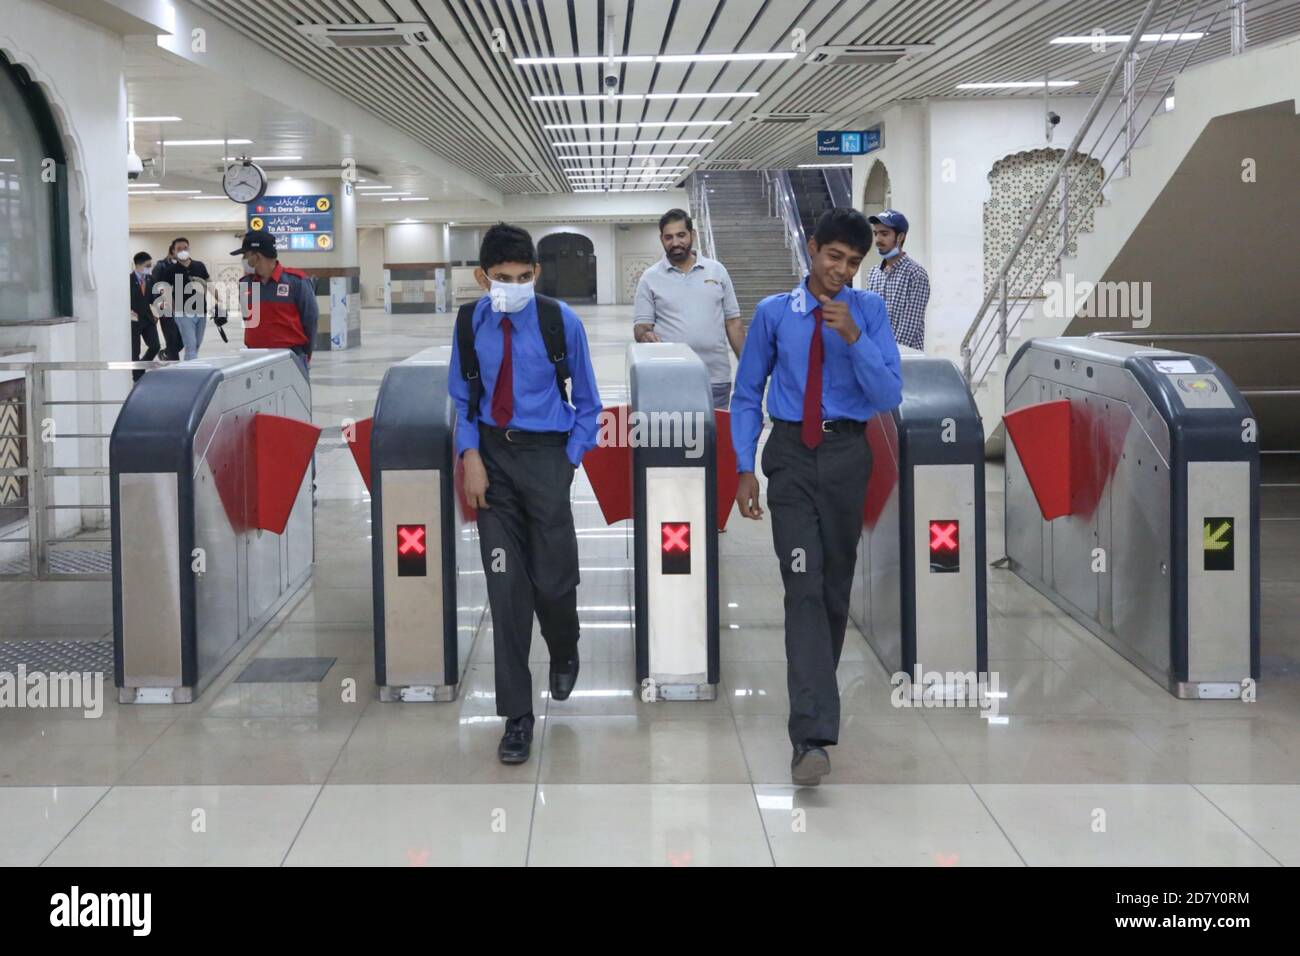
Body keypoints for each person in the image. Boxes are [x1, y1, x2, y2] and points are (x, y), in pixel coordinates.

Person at [731, 207, 902, 787]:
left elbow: (887, 393)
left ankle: (814, 701)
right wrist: (743, 467)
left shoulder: (870, 312)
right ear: (812, 249)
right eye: (834, 258)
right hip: (791, 459)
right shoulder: (775, 313)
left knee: (832, 592)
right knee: (802, 586)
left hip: (849, 457)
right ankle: (811, 737)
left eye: (853, 263)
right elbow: (748, 389)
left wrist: (854, 338)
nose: (841, 272)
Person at [449, 223, 602, 765]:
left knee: (554, 582)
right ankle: (516, 716)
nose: (511, 286)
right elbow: (464, 399)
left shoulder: (561, 323)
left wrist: (567, 461)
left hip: (547, 458)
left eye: (522, 277)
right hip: (492, 461)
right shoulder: (470, 323)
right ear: (481, 277)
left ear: (535, 275)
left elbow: (589, 403)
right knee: (506, 591)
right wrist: (471, 456)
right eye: (500, 278)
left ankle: (565, 645)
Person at [633, 208, 744, 409]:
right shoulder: (649, 278)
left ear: (692, 235)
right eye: (669, 237)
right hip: (668, 378)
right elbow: (641, 326)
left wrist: (746, 364)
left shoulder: (717, 271)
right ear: (662, 240)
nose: (675, 243)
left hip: (715, 377)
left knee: (712, 437)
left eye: (681, 235)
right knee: (675, 437)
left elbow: (733, 322)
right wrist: (643, 335)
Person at [231, 229, 318, 371]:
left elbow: (310, 320)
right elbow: (248, 321)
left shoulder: (297, 282)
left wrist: (305, 354)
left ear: (257, 256)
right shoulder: (245, 284)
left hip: (291, 357)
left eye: (245, 255)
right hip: (254, 358)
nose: (243, 260)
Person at [864, 209, 930, 351]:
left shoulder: (916, 274)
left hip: (906, 361)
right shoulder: (874, 273)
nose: (878, 240)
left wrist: (887, 357)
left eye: (884, 234)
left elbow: (908, 326)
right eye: (875, 233)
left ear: (900, 237)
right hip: (877, 359)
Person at [151, 237, 211, 360]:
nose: (183, 250)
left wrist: (217, 300)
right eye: (179, 248)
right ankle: (190, 373)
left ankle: (171, 356)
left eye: (185, 248)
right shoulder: (169, 270)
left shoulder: (199, 266)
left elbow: (207, 282)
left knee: (197, 343)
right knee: (190, 346)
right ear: (173, 251)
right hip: (183, 312)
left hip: (201, 311)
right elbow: (163, 289)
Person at [129, 251, 160, 382]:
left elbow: (155, 298)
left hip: (148, 319)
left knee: (155, 346)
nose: (150, 268)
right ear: (139, 265)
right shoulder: (128, 280)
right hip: (133, 320)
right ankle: (137, 377)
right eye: (148, 265)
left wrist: (158, 311)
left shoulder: (150, 279)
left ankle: (140, 369)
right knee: (134, 351)